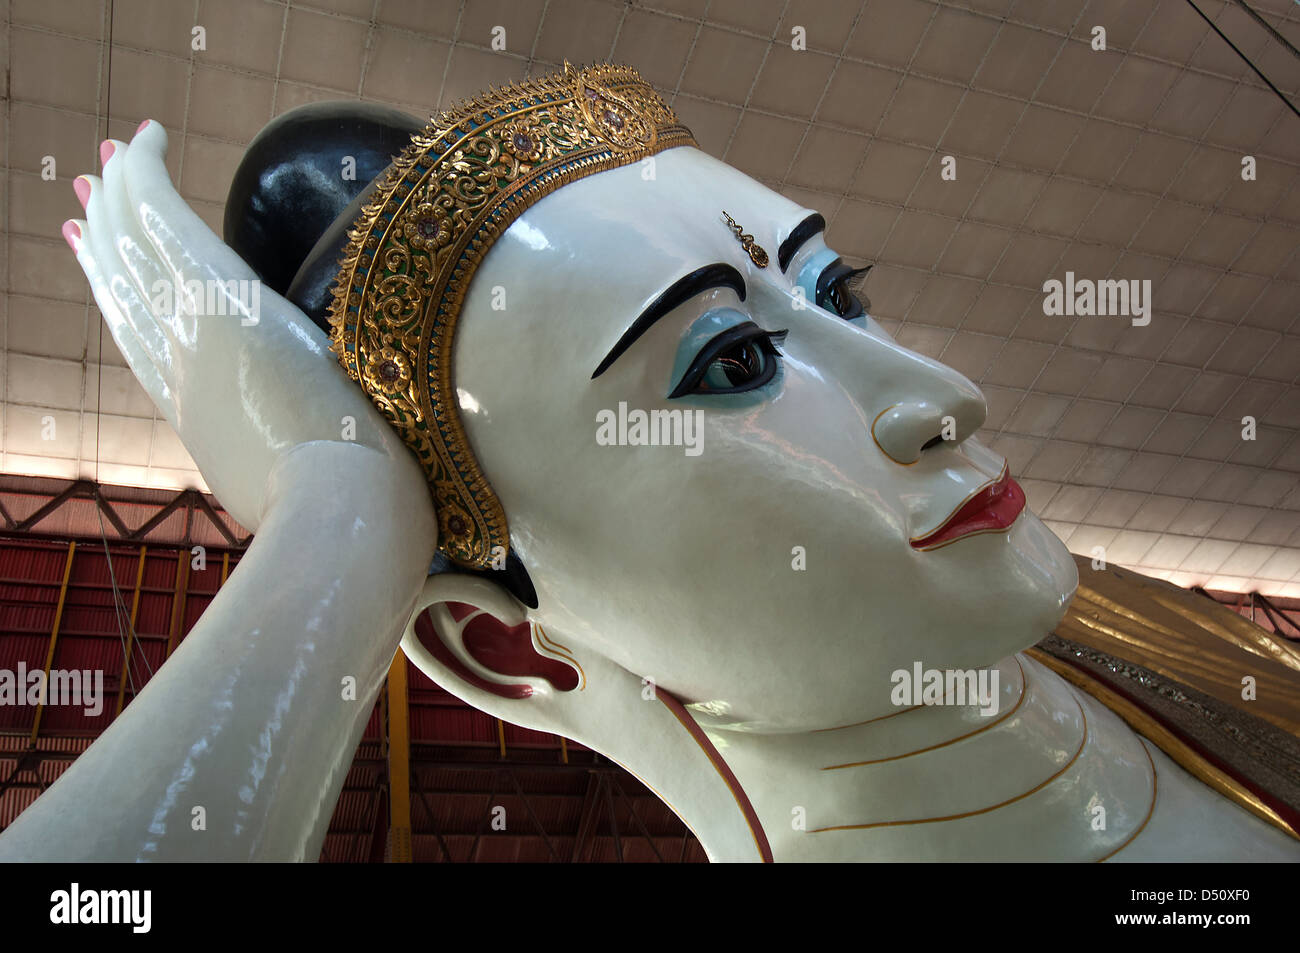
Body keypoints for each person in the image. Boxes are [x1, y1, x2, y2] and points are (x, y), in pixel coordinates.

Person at [1, 64, 1295, 862]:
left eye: (841, 291)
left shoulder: (1171, 647)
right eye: (730, 363)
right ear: (509, 648)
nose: (942, 398)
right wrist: (338, 509)